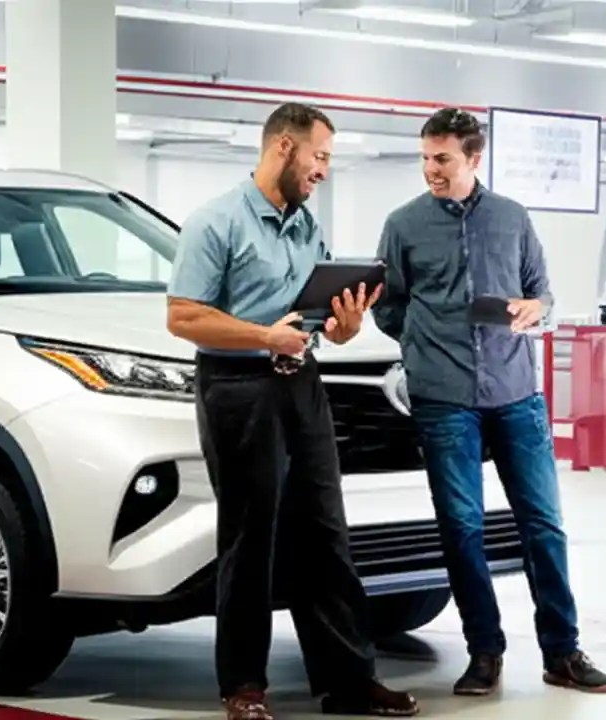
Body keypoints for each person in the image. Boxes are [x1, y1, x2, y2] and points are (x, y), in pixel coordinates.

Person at [166, 101, 419, 720]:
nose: (324, 171)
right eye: (320, 156)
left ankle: (347, 681)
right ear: (284, 146)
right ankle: (244, 688)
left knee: (326, 533)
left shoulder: (309, 228)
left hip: (302, 382)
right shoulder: (215, 222)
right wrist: (262, 336)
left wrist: (345, 325)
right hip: (237, 388)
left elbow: (318, 325)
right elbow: (183, 316)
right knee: (251, 537)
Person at [371, 107, 606, 697]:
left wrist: (539, 309)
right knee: (462, 528)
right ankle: (485, 652)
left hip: (516, 395)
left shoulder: (512, 218)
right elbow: (388, 305)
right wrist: (427, 343)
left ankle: (563, 651)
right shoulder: (403, 225)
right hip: (444, 399)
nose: (431, 169)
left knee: (544, 526)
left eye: (443, 158)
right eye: (426, 157)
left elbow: (541, 290)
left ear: (473, 158)